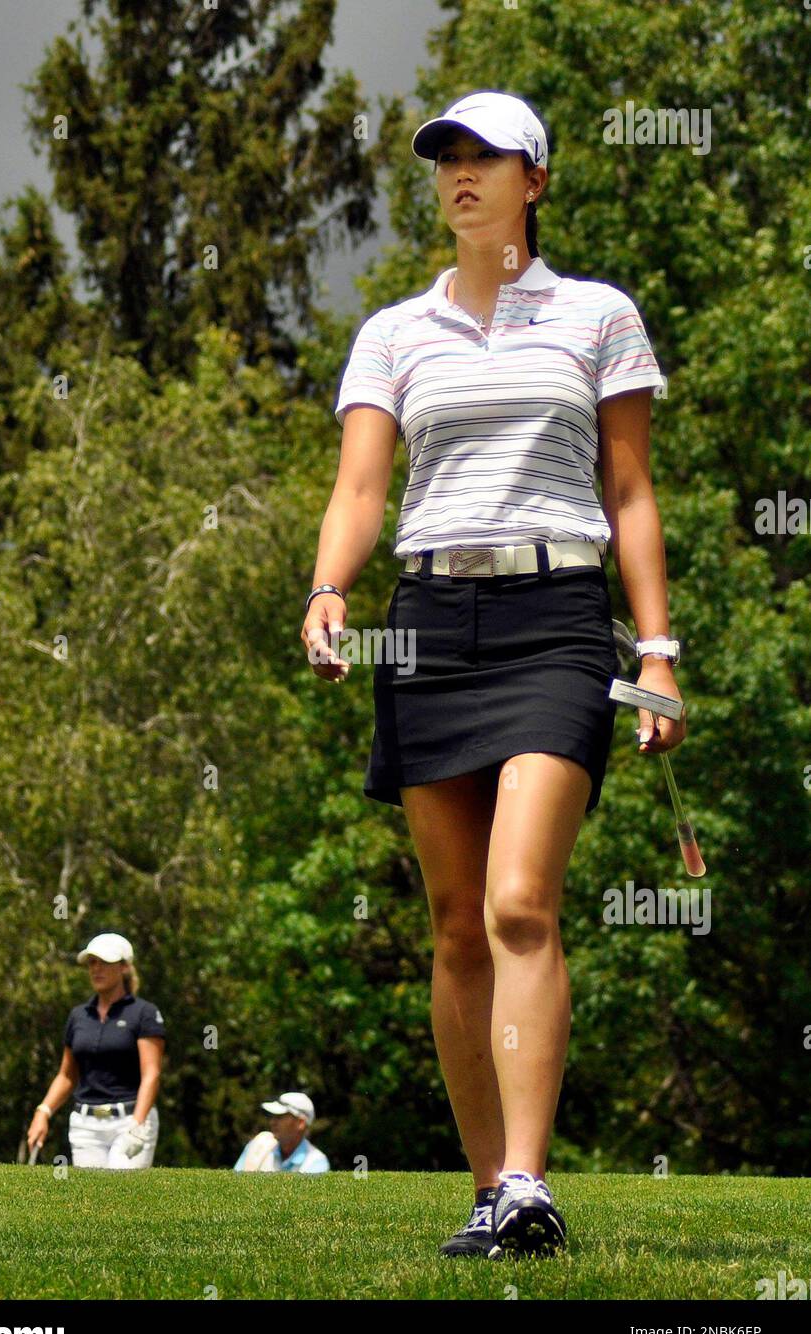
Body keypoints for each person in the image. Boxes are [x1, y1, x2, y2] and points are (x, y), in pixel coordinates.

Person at [302, 91, 686, 1258]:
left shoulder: (597, 317)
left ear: (536, 179)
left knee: (521, 901)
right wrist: (328, 588)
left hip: (557, 618)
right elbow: (362, 489)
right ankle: (489, 1192)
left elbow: (628, 492)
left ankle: (530, 1178)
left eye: (486, 156)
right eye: (444, 159)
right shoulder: (392, 334)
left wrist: (658, 650)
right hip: (428, 623)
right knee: (457, 925)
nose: (460, 173)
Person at [27, 932, 166, 1169]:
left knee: (121, 1197)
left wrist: (138, 1124)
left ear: (123, 967)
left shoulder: (144, 1014)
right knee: (90, 1200)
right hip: (85, 1126)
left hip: (129, 1120)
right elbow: (67, 1075)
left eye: (105, 962)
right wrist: (43, 1111)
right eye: (92, 962)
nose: (96, 969)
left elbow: (151, 1074)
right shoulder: (79, 1016)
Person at [233, 1092, 330, 1173]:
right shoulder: (257, 1146)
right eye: (273, 1116)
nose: (272, 1122)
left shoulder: (316, 1162)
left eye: (280, 1117)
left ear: (300, 1123)